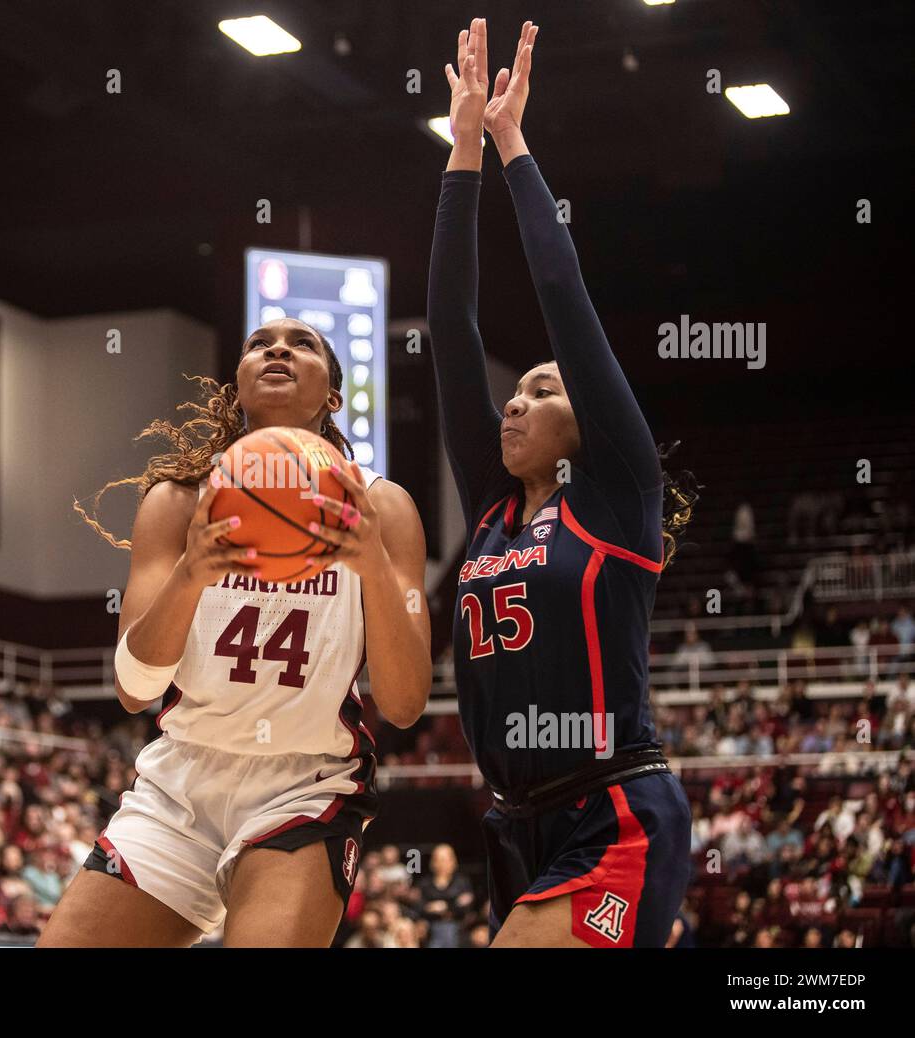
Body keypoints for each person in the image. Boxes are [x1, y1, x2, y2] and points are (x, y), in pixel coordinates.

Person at [426, 18, 695, 947]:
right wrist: (459, 152)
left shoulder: (617, 495)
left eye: (541, 391)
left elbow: (565, 301)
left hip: (611, 810)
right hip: (515, 822)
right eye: (516, 392)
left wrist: (509, 145)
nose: (512, 404)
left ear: (588, 421)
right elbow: (452, 338)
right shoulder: (494, 512)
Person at [45, 318, 432, 947]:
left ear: (333, 395)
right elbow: (133, 688)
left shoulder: (382, 509)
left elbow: (406, 702)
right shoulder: (177, 501)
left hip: (306, 784)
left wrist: (369, 564)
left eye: (301, 344)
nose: (277, 349)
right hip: (178, 787)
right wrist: (193, 571)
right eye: (258, 344)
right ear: (239, 383)